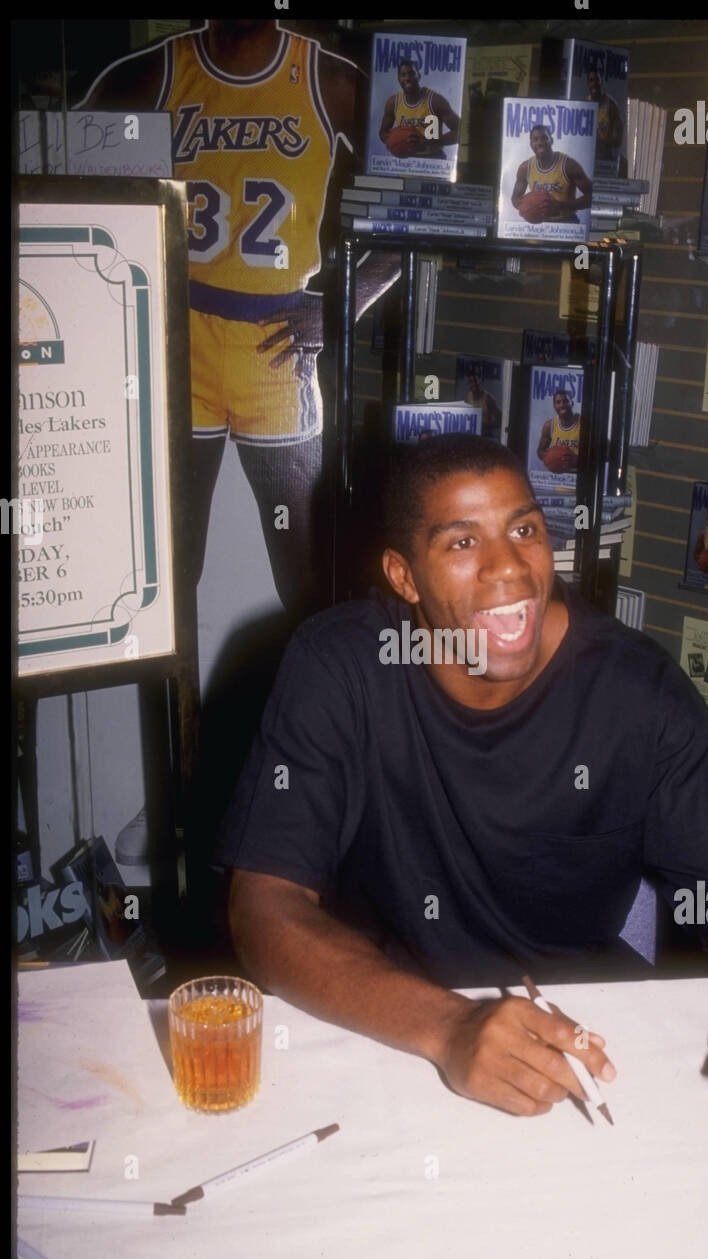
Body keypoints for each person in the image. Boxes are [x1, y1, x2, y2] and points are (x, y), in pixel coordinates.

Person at [216, 434, 708, 1185]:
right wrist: (450, 1028)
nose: (508, 567)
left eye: (524, 529)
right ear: (402, 576)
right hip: (387, 1025)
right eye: (461, 541)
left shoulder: (633, 691)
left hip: (585, 1046)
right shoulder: (340, 666)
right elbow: (265, 907)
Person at [80, 18, 399, 864]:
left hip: (274, 350)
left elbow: (416, 197)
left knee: (314, 595)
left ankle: (323, 813)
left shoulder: (328, 79)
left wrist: (343, 302)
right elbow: (62, 161)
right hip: (178, 341)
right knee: (167, 585)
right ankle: (180, 805)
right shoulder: (153, 70)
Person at [378, 60, 460, 159]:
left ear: (419, 76)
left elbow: (460, 132)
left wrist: (427, 142)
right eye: (403, 75)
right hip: (407, 161)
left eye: (411, 73)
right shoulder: (393, 103)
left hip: (433, 159)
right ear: (398, 79)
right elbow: (383, 132)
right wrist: (395, 142)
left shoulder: (435, 101)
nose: (407, 78)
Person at [511, 125, 592, 224]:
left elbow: (591, 197)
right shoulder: (525, 168)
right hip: (539, 224)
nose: (540, 143)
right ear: (531, 144)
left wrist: (560, 206)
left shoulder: (569, 165)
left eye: (544, 138)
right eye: (535, 140)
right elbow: (515, 198)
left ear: (551, 140)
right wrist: (527, 207)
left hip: (567, 223)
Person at [586, 64, 623, 167]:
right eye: (591, 80)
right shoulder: (585, 104)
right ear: (588, 83)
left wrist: (605, 139)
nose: (594, 84)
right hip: (589, 159)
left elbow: (619, 139)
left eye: (597, 79)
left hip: (605, 159)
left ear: (601, 81)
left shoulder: (611, 105)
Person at [537, 390, 580, 467]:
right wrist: (553, 457)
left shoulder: (584, 424)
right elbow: (540, 451)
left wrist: (577, 459)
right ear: (554, 406)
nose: (562, 405)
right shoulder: (549, 425)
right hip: (557, 476)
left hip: (579, 473)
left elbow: (594, 453)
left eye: (565, 401)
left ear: (572, 403)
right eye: (558, 402)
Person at [463, 372, 501, 439]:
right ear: (468, 384)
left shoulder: (488, 398)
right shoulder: (468, 397)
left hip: (486, 438)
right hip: (473, 438)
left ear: (479, 382)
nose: (474, 384)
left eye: (475, 381)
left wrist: (485, 425)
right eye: (471, 381)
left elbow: (501, 421)